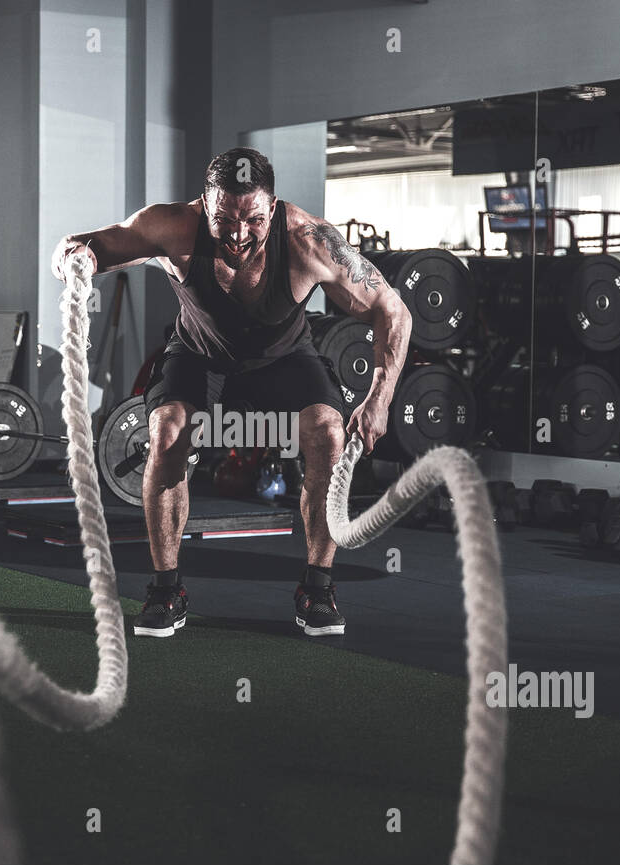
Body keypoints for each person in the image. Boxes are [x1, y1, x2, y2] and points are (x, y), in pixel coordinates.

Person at [52, 147, 411, 638]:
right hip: (199, 355)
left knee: (328, 434)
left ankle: (318, 588)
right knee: (167, 432)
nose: (239, 234)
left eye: (254, 220)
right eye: (224, 219)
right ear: (205, 204)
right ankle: (166, 590)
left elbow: (392, 309)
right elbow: (84, 245)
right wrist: (74, 261)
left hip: (284, 359)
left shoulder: (309, 240)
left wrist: (380, 399)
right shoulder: (173, 227)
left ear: (273, 207)